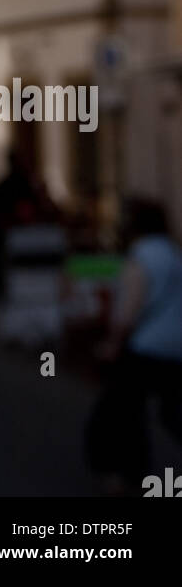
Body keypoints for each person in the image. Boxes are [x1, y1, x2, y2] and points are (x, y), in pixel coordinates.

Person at [85, 197, 182, 494]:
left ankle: (127, 473)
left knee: (122, 411)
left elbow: (128, 309)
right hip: (176, 347)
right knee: (173, 411)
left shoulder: (140, 258)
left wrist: (113, 342)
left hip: (145, 347)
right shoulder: (174, 255)